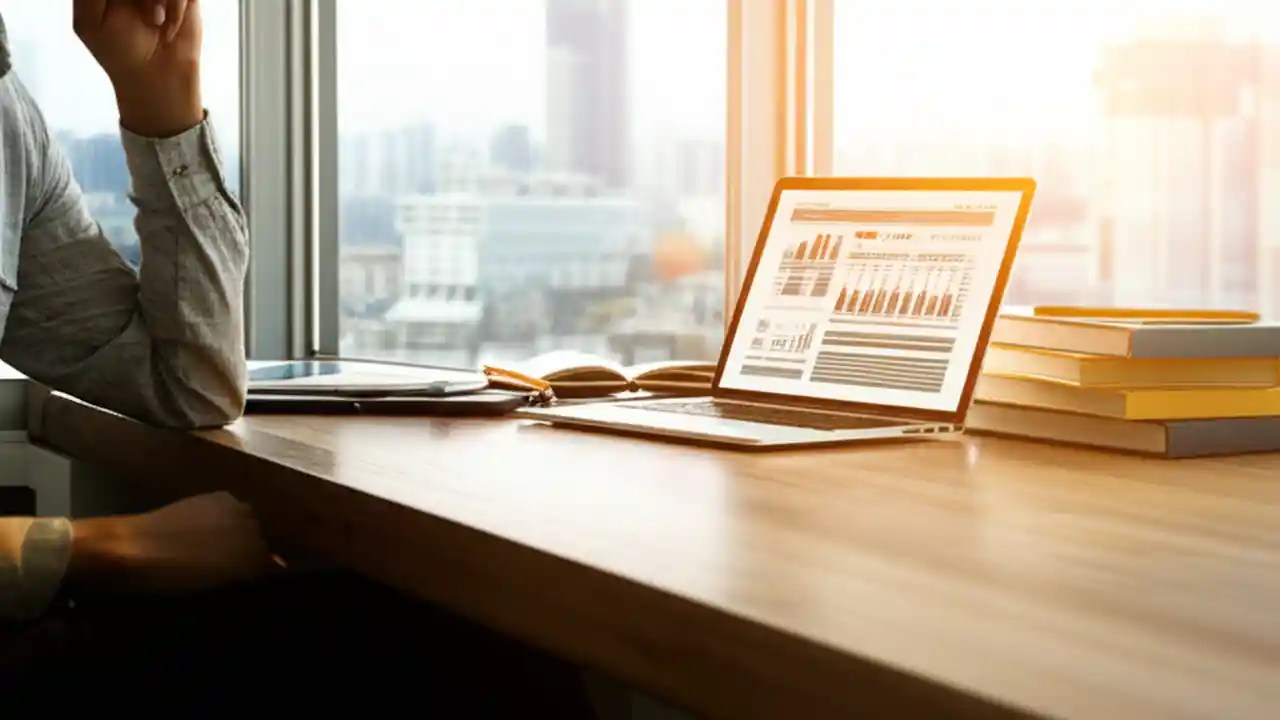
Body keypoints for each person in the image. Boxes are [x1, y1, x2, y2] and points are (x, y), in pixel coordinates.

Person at [0, 2, 597, 715]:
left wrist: (161, 100)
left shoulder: (10, 121)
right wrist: (103, 547)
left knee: (485, 638)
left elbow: (188, 383)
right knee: (468, 666)